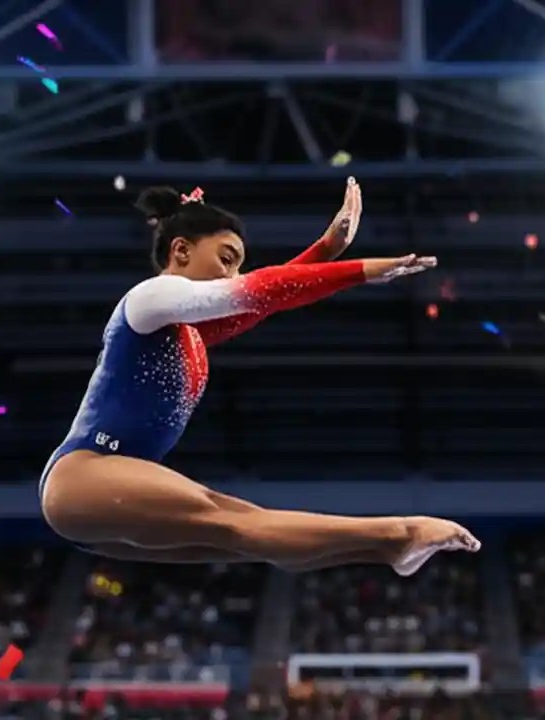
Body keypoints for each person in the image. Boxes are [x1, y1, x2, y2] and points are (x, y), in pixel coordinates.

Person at [40, 178, 480, 575]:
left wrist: (326, 249)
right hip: (85, 476)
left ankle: (389, 552)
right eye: (227, 259)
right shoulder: (150, 297)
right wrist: (360, 270)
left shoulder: (183, 332)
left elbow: (261, 302)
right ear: (180, 250)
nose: (232, 274)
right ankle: (401, 532)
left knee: (246, 539)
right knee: (235, 520)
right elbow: (261, 290)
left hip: (101, 501)